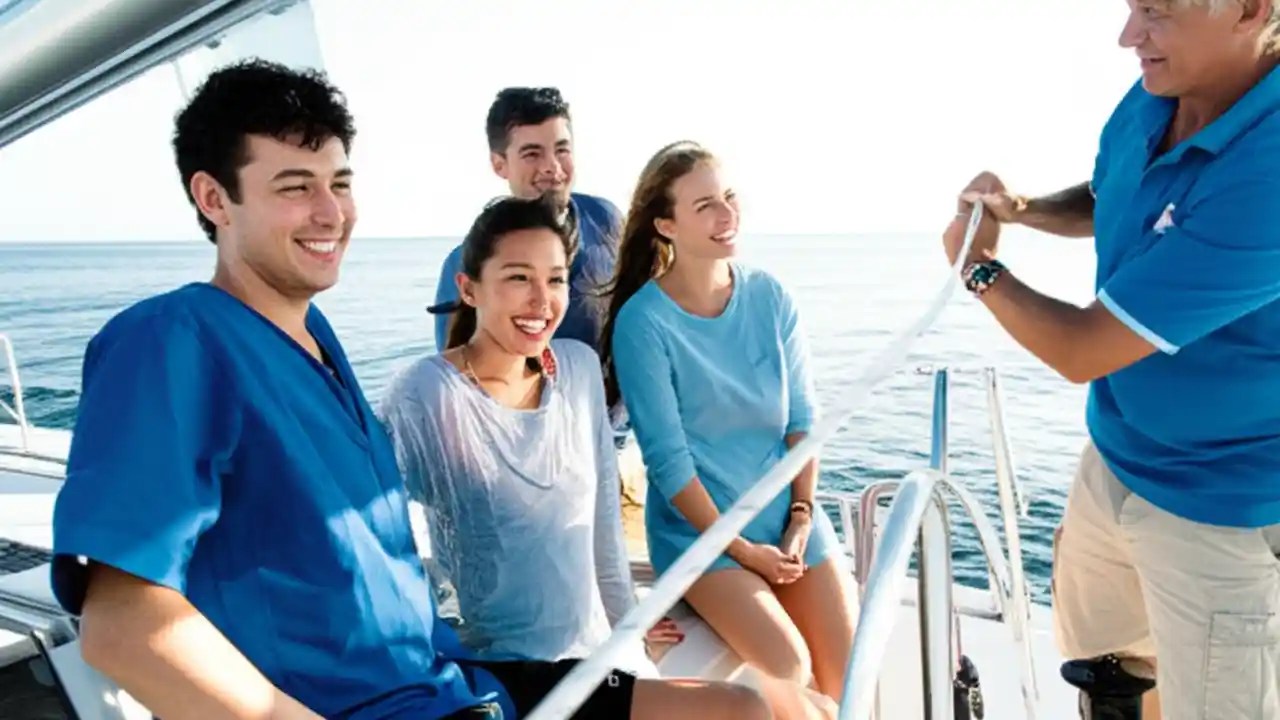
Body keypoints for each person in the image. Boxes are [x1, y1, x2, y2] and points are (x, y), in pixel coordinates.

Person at [48, 58, 771, 720]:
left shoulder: (317, 343)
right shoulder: (172, 339)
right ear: (214, 198)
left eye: (339, 183)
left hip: (460, 681)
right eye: (295, 188)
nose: (331, 213)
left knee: (743, 709)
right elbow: (122, 628)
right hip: (375, 709)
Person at [945, 2, 1280, 718]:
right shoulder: (1159, 88)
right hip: (1115, 462)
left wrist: (977, 271)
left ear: (1249, 10)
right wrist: (1023, 207)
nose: (1128, 36)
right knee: (1111, 682)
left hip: (1224, 509)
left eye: (1155, 13)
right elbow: (1111, 197)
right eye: (1131, 7)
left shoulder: (1270, 169)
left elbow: (1080, 348)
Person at [600, 141, 858, 706]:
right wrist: (744, 550)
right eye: (705, 206)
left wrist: (800, 516)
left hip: (788, 518)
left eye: (730, 197)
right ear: (665, 225)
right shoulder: (643, 324)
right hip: (705, 538)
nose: (727, 215)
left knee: (849, 680)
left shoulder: (771, 297)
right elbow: (669, 465)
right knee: (788, 665)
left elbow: (802, 422)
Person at [378, 195, 678, 678]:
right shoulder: (427, 394)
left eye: (555, 279)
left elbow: (604, 530)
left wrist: (630, 629)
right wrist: (430, 636)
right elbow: (373, 536)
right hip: (500, 673)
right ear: (469, 289)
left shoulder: (577, 369)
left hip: (595, 660)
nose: (542, 301)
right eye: (519, 278)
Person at [429, 87, 621, 355]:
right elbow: (456, 371)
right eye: (532, 153)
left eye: (562, 150)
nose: (551, 166)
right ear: (499, 164)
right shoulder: (466, 262)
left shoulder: (605, 219)